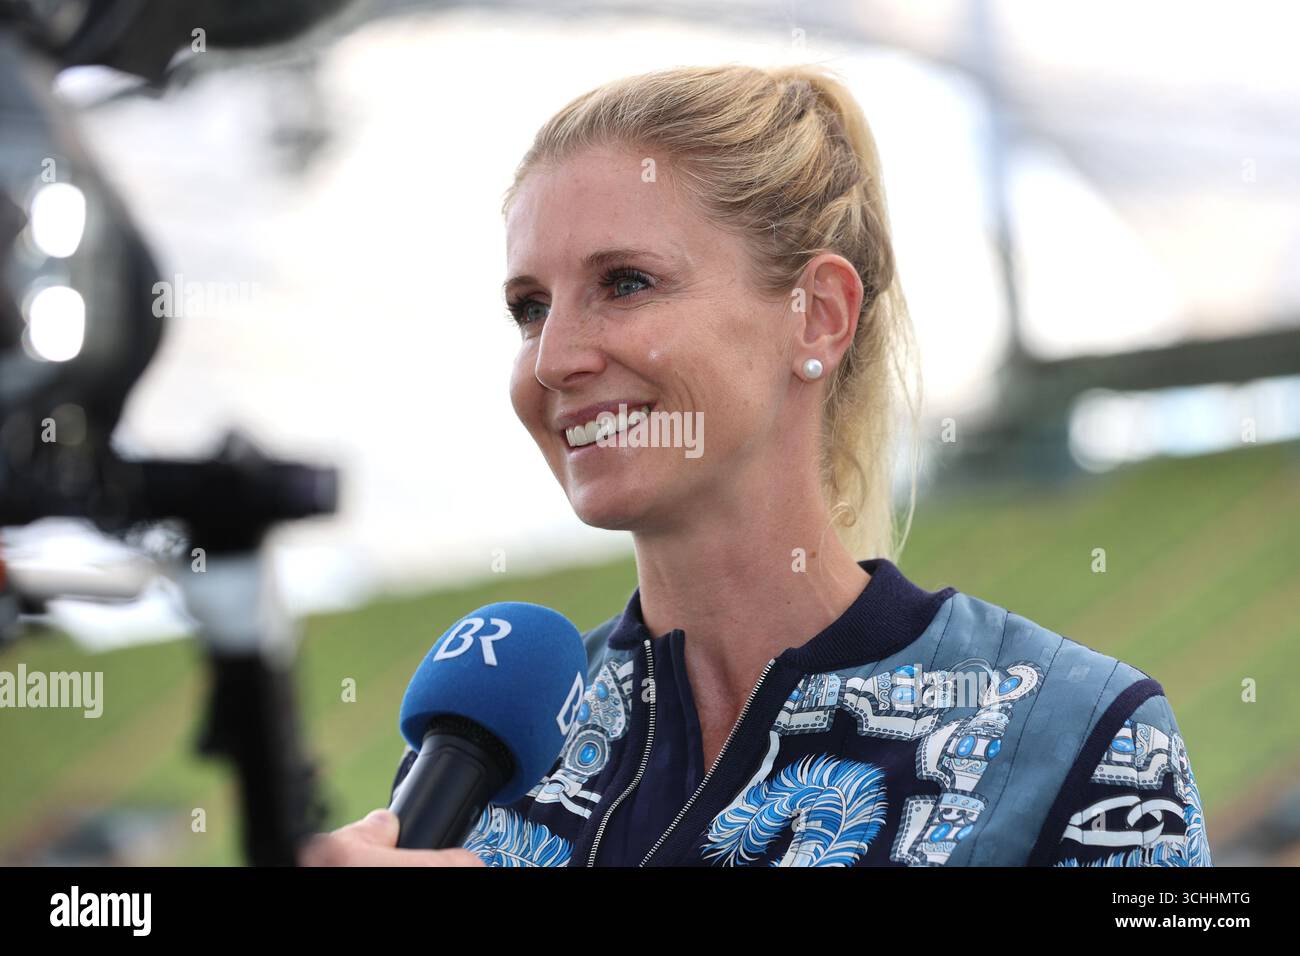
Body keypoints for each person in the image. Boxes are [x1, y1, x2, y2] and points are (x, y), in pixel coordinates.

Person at [301, 63, 1210, 868]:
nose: (555, 359)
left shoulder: (1078, 741)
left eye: (625, 283)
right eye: (530, 307)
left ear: (816, 315)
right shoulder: (493, 756)